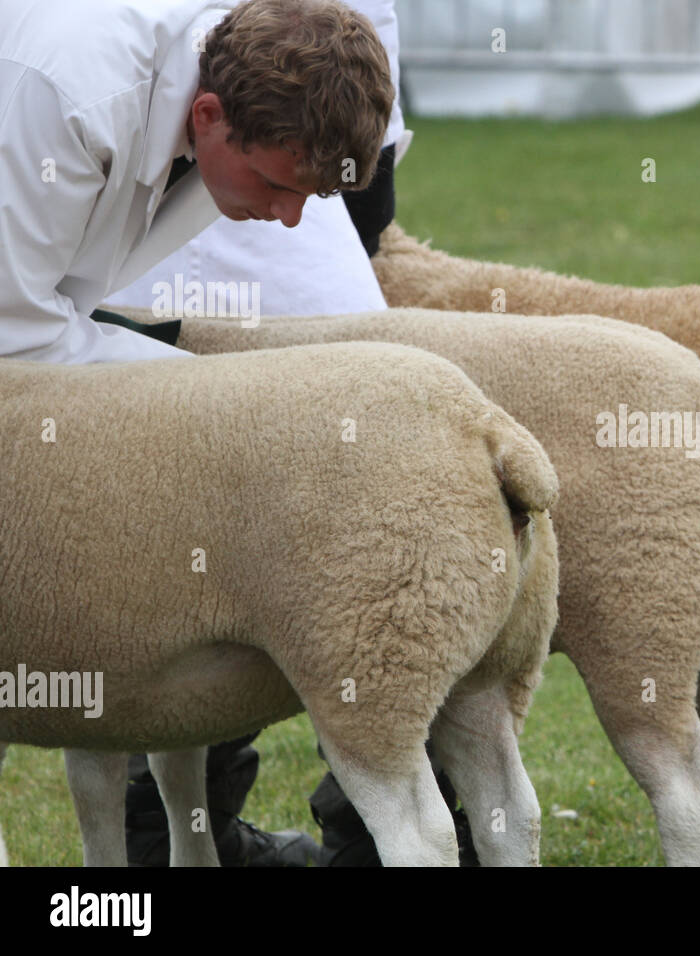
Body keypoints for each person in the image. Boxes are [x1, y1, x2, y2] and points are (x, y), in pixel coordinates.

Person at [1, 0, 394, 862]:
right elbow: (13, 334)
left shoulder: (231, 86)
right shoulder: (64, 93)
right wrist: (217, 405)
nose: (293, 219)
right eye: (281, 187)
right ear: (208, 116)